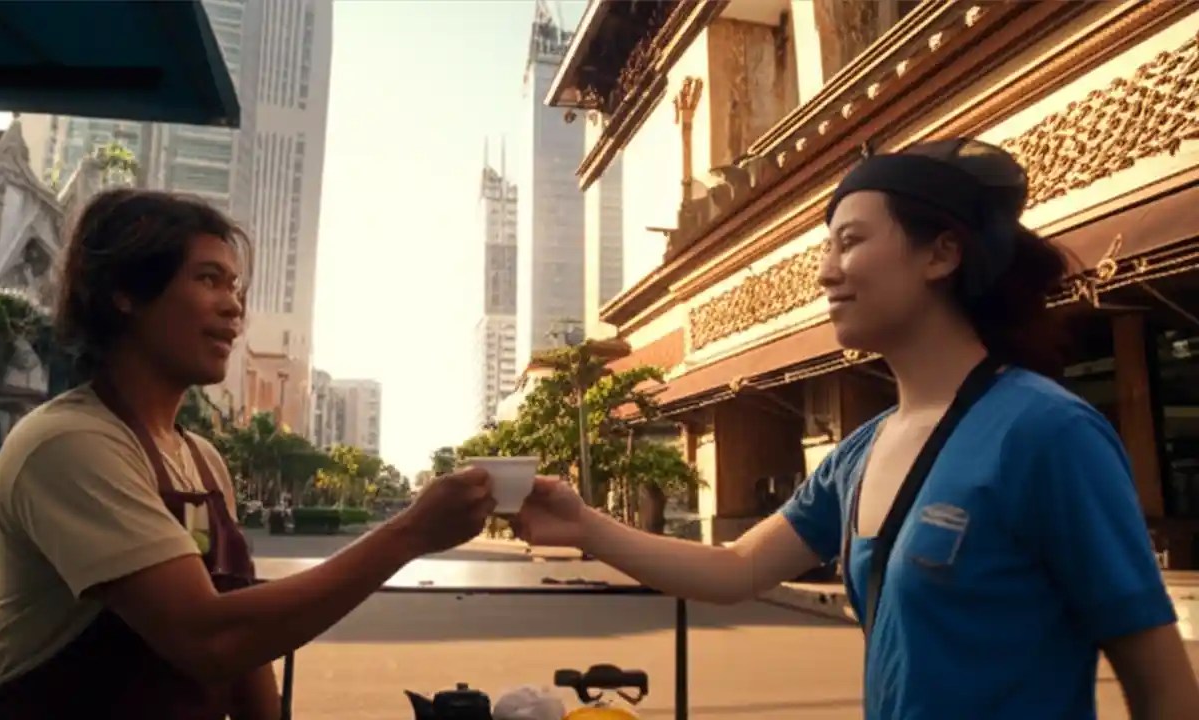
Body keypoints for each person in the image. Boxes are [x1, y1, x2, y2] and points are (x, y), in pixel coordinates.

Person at [513, 139, 1199, 718]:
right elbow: (737, 567)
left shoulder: (1046, 433)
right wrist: (585, 526)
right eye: (826, 248)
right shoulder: (861, 452)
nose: (824, 272)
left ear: (941, 255)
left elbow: (1159, 677)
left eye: (850, 242)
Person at [0, 189, 496, 719]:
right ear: (126, 292)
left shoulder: (203, 459)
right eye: (208, 279)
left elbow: (245, 651)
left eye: (235, 286)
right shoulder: (70, 443)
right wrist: (412, 533)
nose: (234, 306)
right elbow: (210, 638)